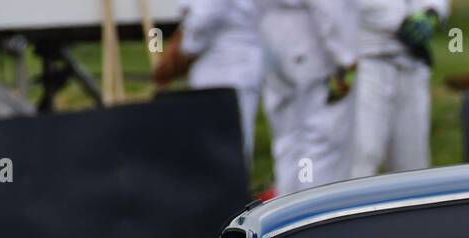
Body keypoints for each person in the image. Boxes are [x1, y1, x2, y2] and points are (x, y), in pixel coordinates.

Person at [258, 0, 359, 196]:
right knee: (320, 144)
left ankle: (288, 206)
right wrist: (346, 58)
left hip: (271, 39)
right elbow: (330, 8)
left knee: (288, 141)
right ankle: (312, 207)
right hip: (310, 43)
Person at [153, 0, 264, 168]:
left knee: (224, 150)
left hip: (223, 70)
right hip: (233, 65)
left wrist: (182, 54)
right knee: (230, 147)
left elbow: (204, 17)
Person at [350, 0, 449, 177]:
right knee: (364, 154)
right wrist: (398, 21)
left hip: (411, 62)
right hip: (368, 59)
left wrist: (431, 12)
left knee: (413, 161)